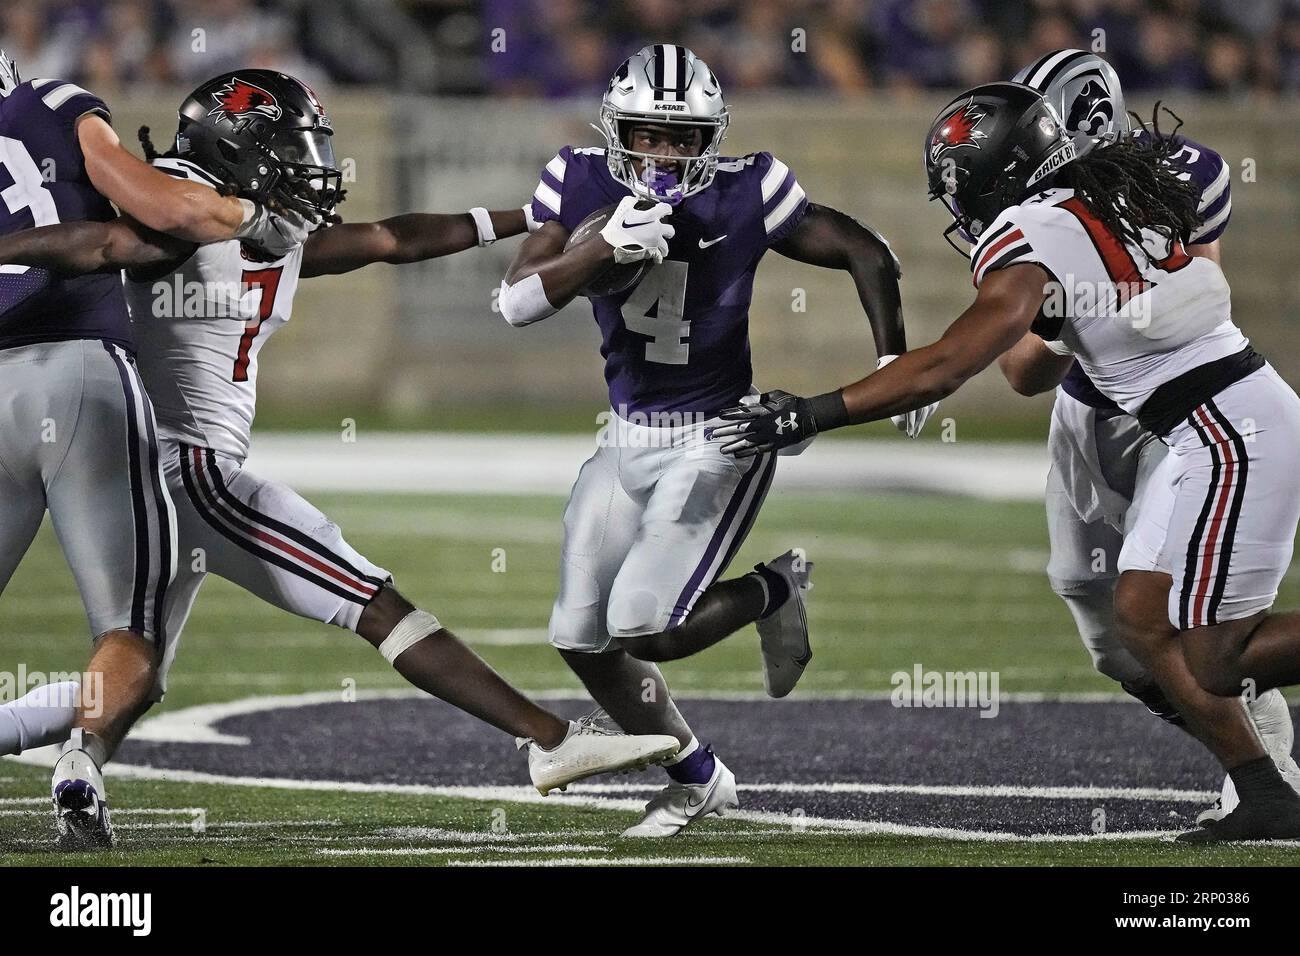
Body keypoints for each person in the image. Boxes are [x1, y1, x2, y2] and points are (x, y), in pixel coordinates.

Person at [0, 68, 680, 847]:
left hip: (166, 476)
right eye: (290, 148)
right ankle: (550, 742)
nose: (310, 163)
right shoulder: (188, 215)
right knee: (374, 601)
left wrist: (530, 213)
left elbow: (393, 239)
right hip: (189, 471)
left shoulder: (254, 222)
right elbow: (100, 243)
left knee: (137, 669)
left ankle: (80, 768)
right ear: (239, 151)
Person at [713, 80, 1300, 841]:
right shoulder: (1098, 197)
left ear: (995, 176)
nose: (960, 209)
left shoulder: (1036, 227)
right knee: (1142, 620)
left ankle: (1263, 786)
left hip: (1228, 431)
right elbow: (1045, 354)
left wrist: (814, 411)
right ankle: (1265, 794)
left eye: (961, 188)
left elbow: (950, 364)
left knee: (1218, 657)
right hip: (1217, 420)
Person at [499, 44, 930, 837]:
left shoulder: (750, 188)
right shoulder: (577, 177)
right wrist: (596, 249)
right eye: (646, 135)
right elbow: (518, 304)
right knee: (579, 636)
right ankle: (698, 779)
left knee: (645, 626)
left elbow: (867, 251)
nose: (662, 154)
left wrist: (893, 359)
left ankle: (776, 590)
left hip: (719, 435)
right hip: (625, 436)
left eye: (682, 138)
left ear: (712, 138)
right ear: (614, 128)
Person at [0, 51, 313, 848]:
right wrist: (244, 216)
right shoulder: (52, 103)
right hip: (80, 371)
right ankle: (80, 765)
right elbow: (159, 211)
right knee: (131, 631)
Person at [996, 50, 1298, 825]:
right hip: (1085, 412)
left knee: (1162, 610)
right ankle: (1256, 759)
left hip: (1178, 411)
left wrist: (1084, 300)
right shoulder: (1030, 202)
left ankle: (1263, 773)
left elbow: (1189, 308)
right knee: (1111, 636)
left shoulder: (1185, 171)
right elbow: (1022, 373)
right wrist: (1052, 319)